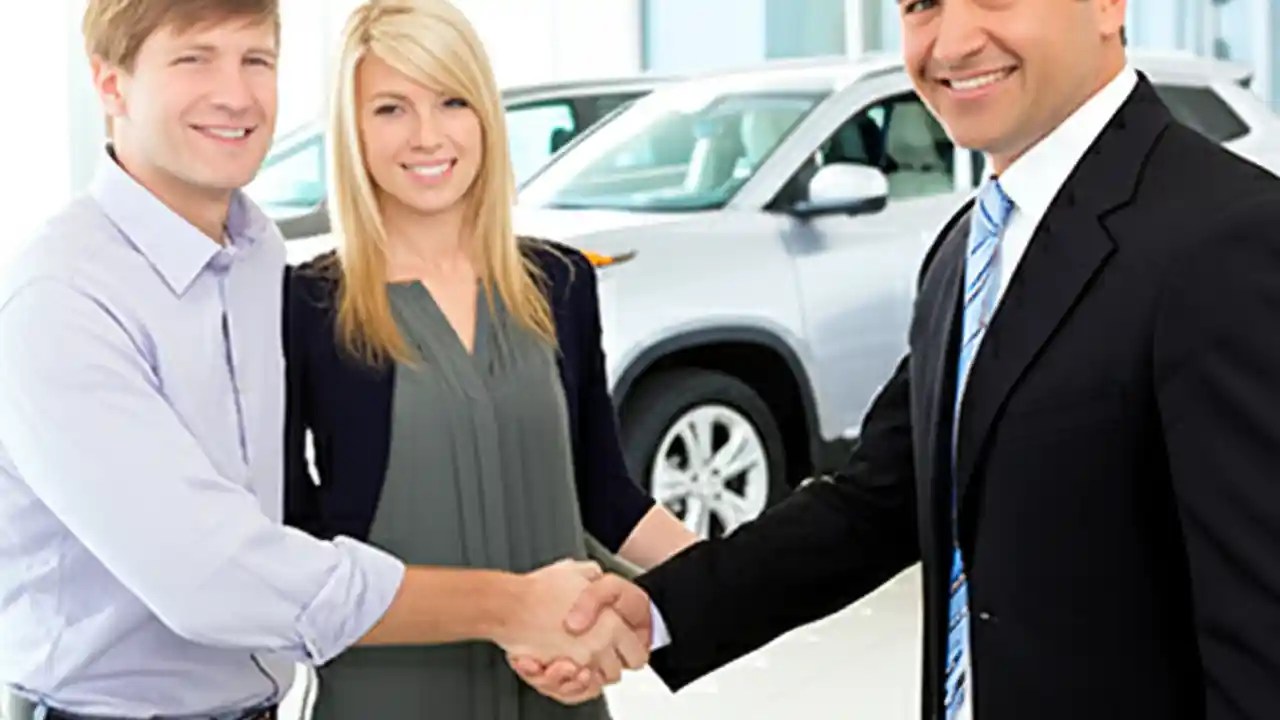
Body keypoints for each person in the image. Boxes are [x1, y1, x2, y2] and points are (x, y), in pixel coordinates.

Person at [515, 0, 1280, 718]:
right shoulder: (969, 245)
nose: (952, 43)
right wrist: (657, 609)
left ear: (1110, 5)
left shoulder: (1231, 237)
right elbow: (879, 501)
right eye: (920, 4)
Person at [0, 2, 648, 719]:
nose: (235, 94)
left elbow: (601, 489)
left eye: (256, 60)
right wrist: (513, 605)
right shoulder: (63, 297)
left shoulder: (254, 257)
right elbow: (215, 576)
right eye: (194, 59)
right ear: (110, 84)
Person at [283, 0, 699, 718]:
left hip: (560, 691)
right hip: (388, 697)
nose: (428, 135)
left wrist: (738, 578)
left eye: (452, 101)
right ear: (352, 130)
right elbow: (297, 548)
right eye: (391, 109)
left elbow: (606, 495)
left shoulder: (560, 283)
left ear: (485, 115)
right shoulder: (308, 306)